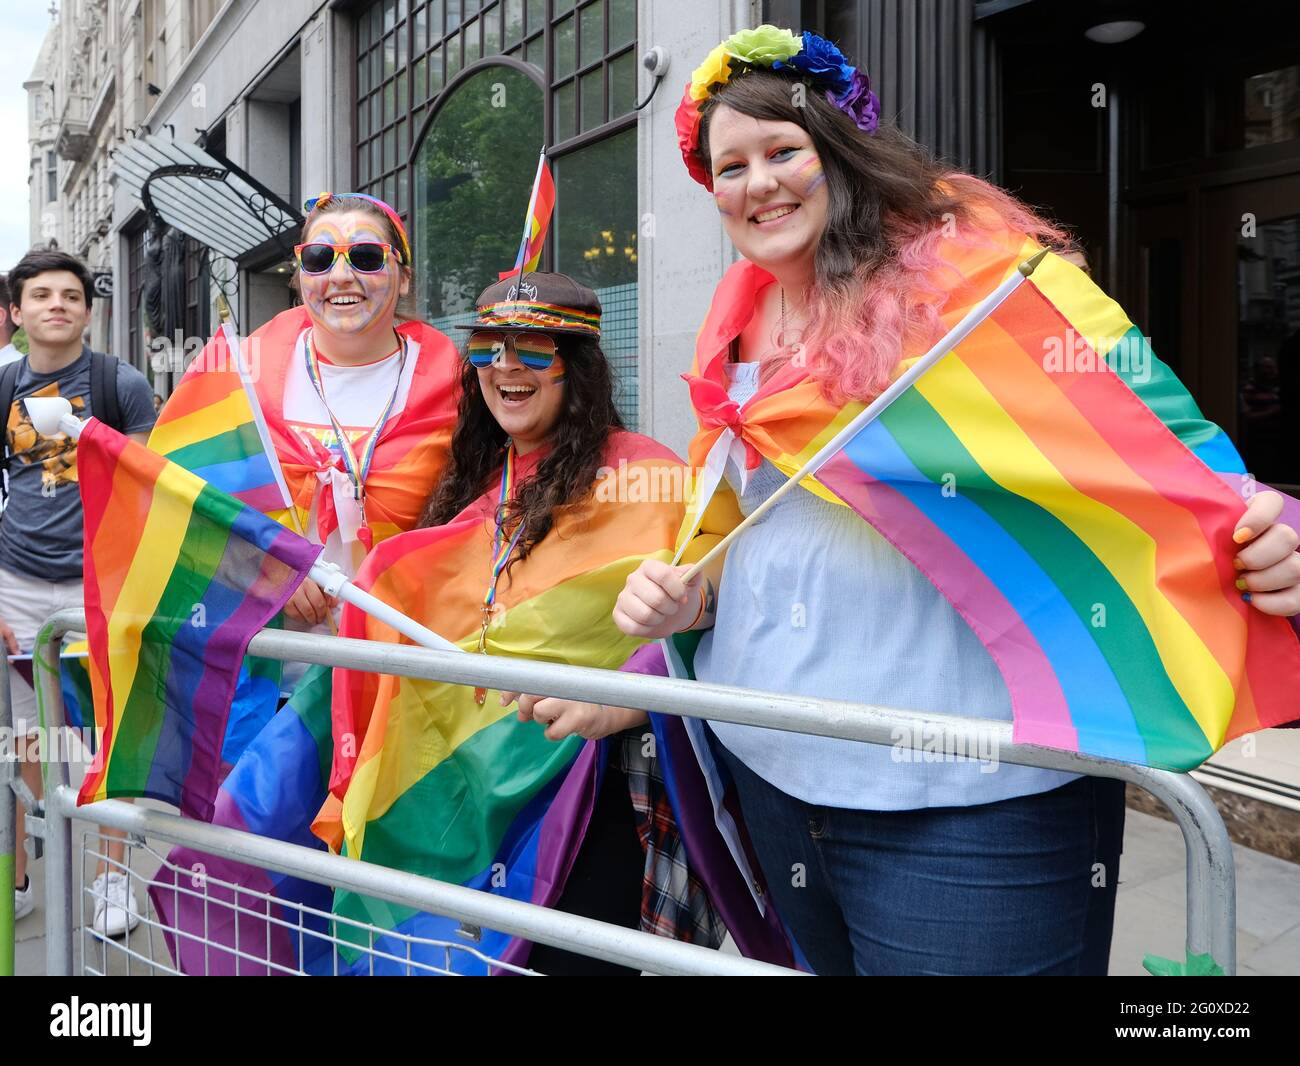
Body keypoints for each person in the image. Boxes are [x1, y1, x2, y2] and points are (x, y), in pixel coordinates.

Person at [611, 26, 1300, 975]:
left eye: (782, 151)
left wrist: (1270, 529)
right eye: (729, 166)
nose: (755, 183)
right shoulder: (735, 316)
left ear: (842, 151)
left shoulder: (979, 285)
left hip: (974, 798)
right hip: (770, 769)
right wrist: (695, 596)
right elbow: (742, 527)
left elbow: (1149, 426)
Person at [0, 250, 156, 936]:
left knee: (107, 732)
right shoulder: (3, 386)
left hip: (102, 584)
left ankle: (111, 878)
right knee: (26, 734)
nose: (56, 304)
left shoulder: (118, 383)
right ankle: (35, 848)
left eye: (69, 294)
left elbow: (151, 489)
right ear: (17, 312)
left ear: (88, 311)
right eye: (40, 294)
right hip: (17, 581)